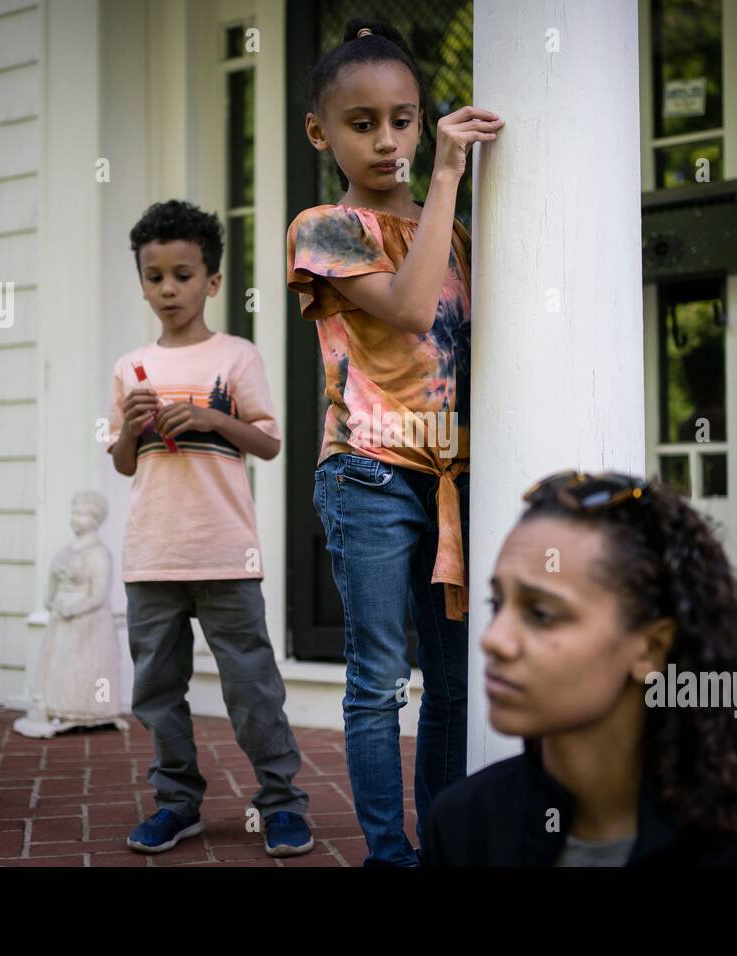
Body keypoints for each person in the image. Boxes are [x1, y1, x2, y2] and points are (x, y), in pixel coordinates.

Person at [285, 17, 503, 866]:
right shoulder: (325, 229)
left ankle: (442, 848)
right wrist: (448, 171)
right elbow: (414, 309)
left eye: (404, 120)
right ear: (321, 131)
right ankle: (390, 855)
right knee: (379, 684)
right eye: (362, 122)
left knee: (451, 685)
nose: (388, 140)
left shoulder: (458, 236)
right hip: (368, 475)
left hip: (450, 478)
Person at [423, 470, 737, 866]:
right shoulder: (463, 826)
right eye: (498, 605)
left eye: (542, 613)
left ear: (651, 648)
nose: (493, 638)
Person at [108, 200, 312, 857]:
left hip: (226, 553)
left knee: (252, 692)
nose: (169, 289)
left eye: (183, 275)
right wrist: (136, 428)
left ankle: (281, 804)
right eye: (155, 276)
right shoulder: (129, 368)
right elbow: (122, 462)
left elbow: (270, 442)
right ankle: (177, 804)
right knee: (158, 695)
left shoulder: (236, 358)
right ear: (141, 281)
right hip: (152, 557)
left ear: (212, 282)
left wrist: (210, 420)